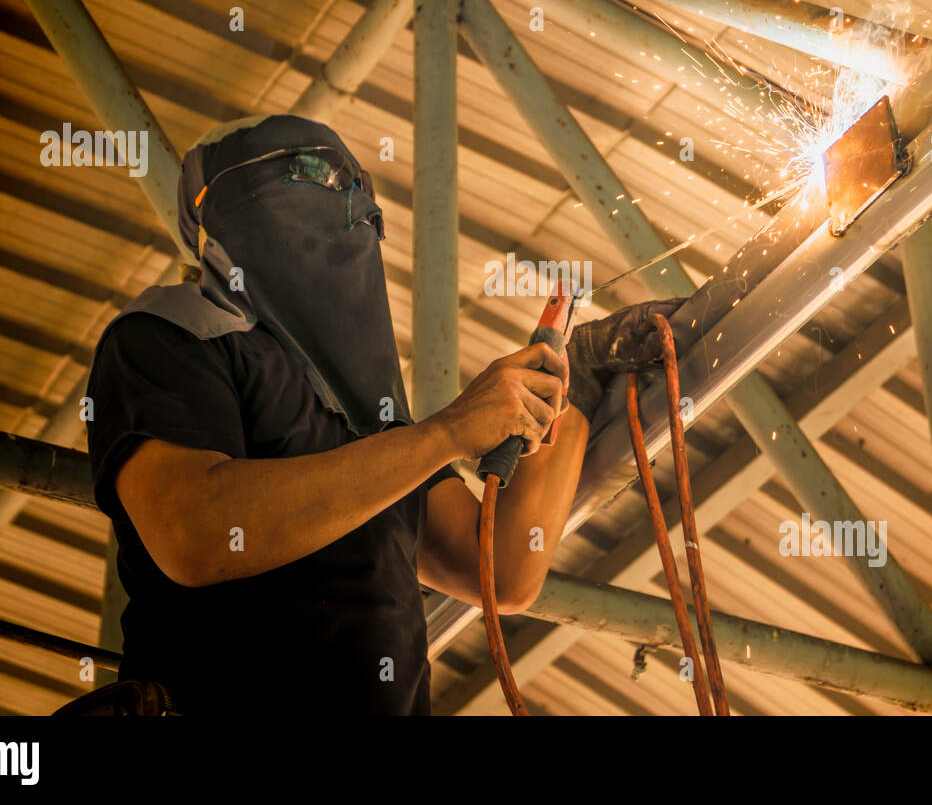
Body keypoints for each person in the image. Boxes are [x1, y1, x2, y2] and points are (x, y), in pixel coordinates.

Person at [82, 114, 681, 714]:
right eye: (309, 176)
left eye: (354, 188)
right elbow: (197, 534)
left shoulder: (373, 418)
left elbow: (500, 571)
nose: (347, 204)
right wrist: (446, 432)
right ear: (224, 213)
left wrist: (568, 386)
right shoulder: (175, 335)